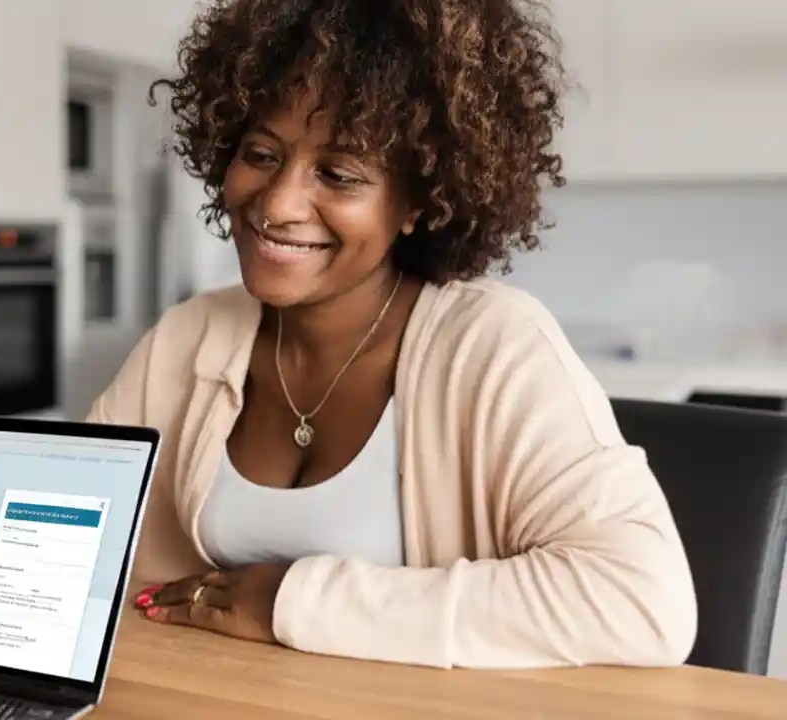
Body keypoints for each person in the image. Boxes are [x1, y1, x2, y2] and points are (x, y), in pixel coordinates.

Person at [87, 0, 697, 669]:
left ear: (416, 201)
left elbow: (642, 601)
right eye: (261, 154)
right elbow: (66, 532)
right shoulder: (188, 337)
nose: (278, 204)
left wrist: (292, 601)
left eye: (338, 174)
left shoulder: (493, 345)